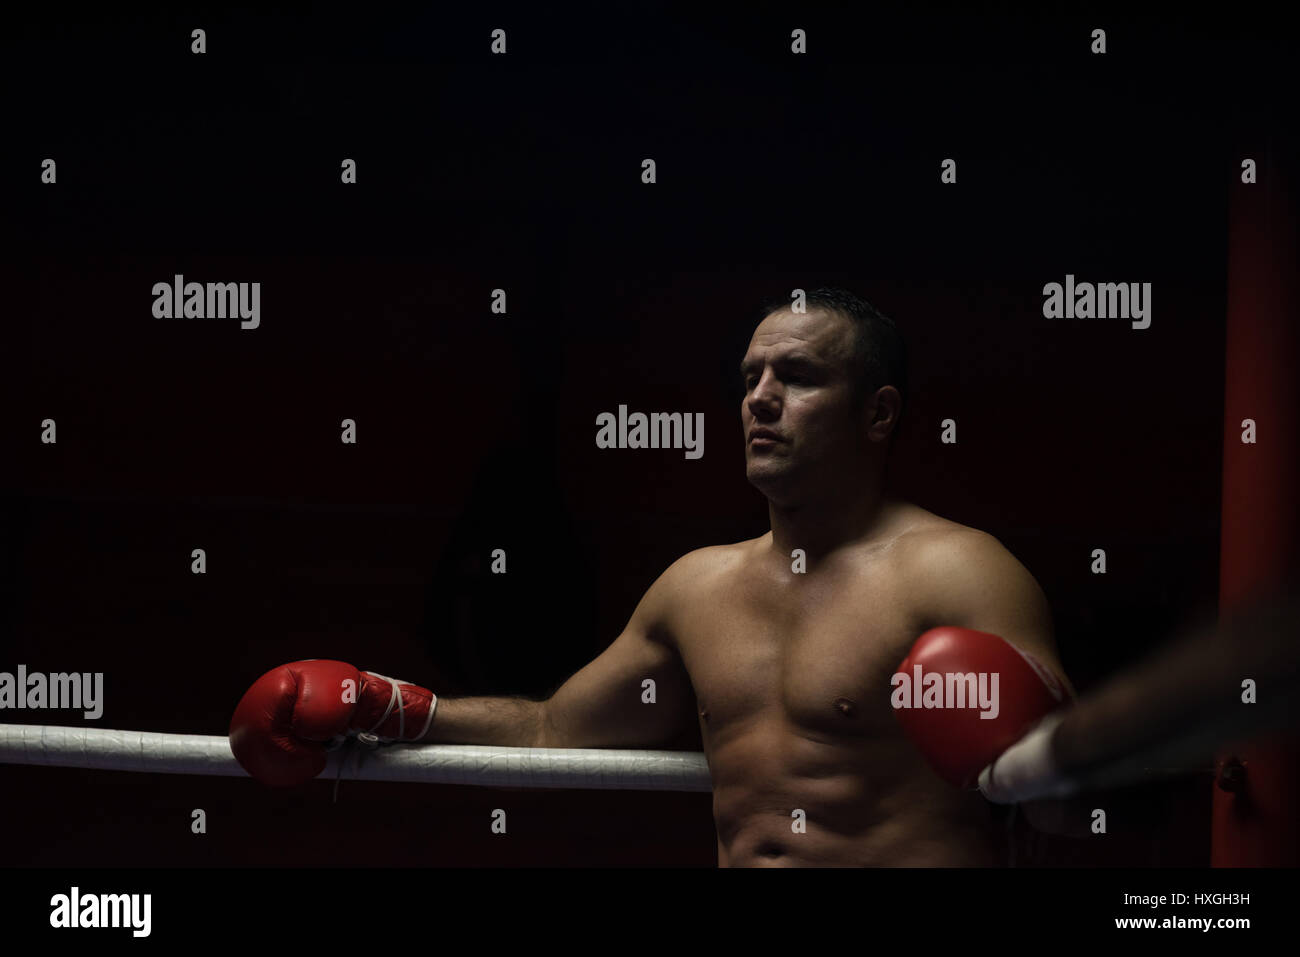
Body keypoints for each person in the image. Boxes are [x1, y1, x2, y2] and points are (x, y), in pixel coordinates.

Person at [231, 287, 1075, 866]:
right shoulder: (696, 589)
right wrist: (389, 707)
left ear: (879, 413)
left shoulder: (956, 570)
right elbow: (554, 732)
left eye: (800, 377)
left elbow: (1070, 809)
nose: (761, 399)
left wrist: (1043, 760)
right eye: (750, 378)